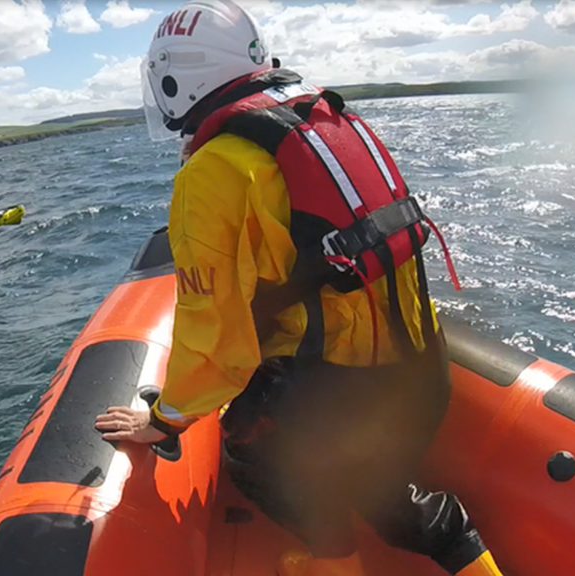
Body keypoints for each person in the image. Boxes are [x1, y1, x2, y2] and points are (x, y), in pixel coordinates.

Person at [93, 2, 505, 576]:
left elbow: (212, 338)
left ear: (174, 80)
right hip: (422, 373)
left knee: (252, 452)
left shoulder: (213, 170)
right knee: (386, 496)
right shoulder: (330, 120)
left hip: (338, 398)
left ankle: (335, 563)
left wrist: (162, 421)